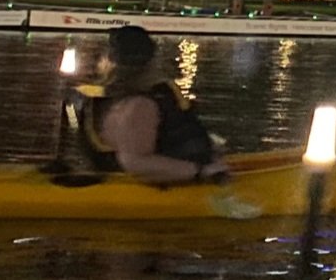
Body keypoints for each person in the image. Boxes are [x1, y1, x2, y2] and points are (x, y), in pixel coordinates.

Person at [77, 25, 226, 183]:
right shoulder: (140, 106)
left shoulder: (120, 99)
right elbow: (134, 162)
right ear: (152, 60)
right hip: (165, 190)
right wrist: (201, 171)